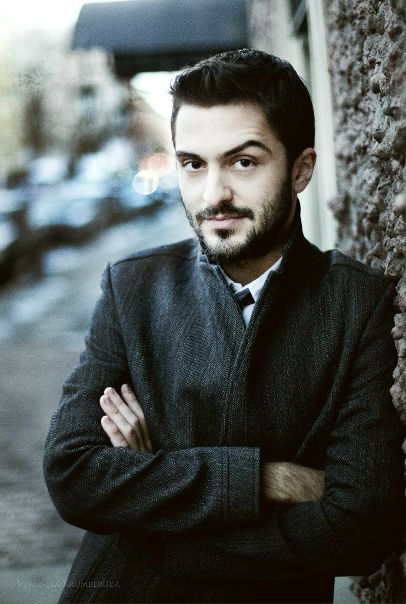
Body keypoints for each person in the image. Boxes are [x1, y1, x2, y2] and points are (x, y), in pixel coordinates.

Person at [43, 49, 404, 604]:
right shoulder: (132, 287)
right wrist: (265, 479)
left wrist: (154, 509)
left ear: (301, 169)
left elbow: (362, 527)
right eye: (193, 164)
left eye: (243, 162)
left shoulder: (355, 304)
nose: (213, 195)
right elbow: (73, 475)